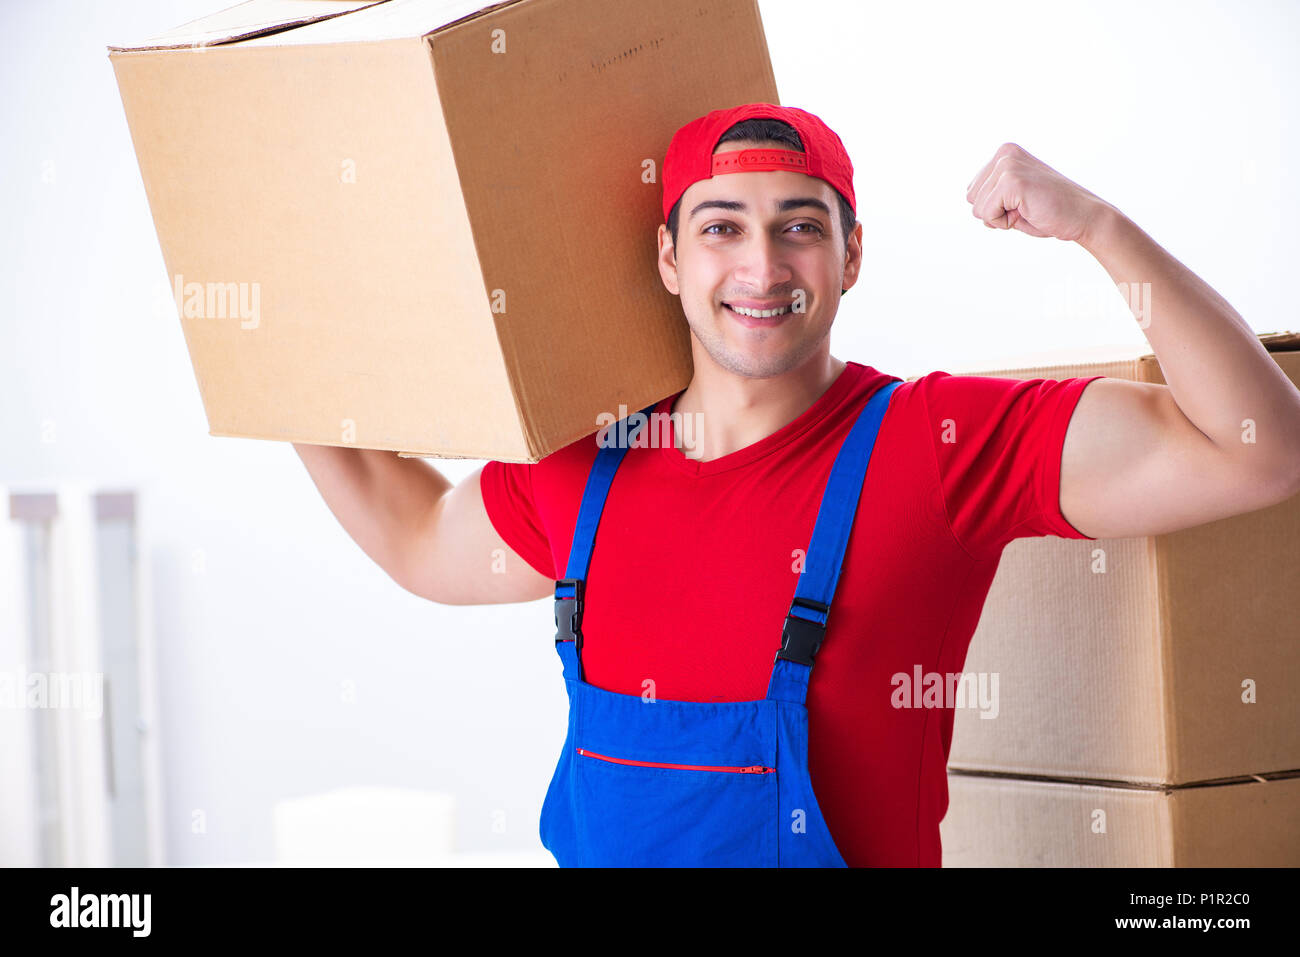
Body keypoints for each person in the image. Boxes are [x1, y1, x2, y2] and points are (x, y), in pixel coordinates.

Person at [294, 103, 1300, 867]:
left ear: (851, 253)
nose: (762, 265)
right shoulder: (580, 472)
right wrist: (263, 357)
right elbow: (418, 534)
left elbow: (1257, 449)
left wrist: (1095, 226)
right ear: (669, 258)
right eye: (722, 227)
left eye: (800, 227)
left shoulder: (935, 444)